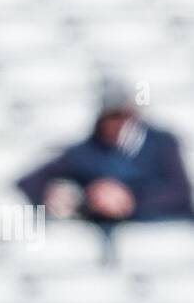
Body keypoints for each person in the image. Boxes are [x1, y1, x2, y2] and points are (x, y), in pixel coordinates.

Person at [17, 78, 193, 229]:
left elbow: (180, 194)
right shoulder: (87, 152)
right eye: (110, 116)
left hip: (160, 238)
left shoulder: (162, 144)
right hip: (106, 248)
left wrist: (130, 200)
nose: (116, 124)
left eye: (122, 116)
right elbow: (29, 182)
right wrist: (79, 200)